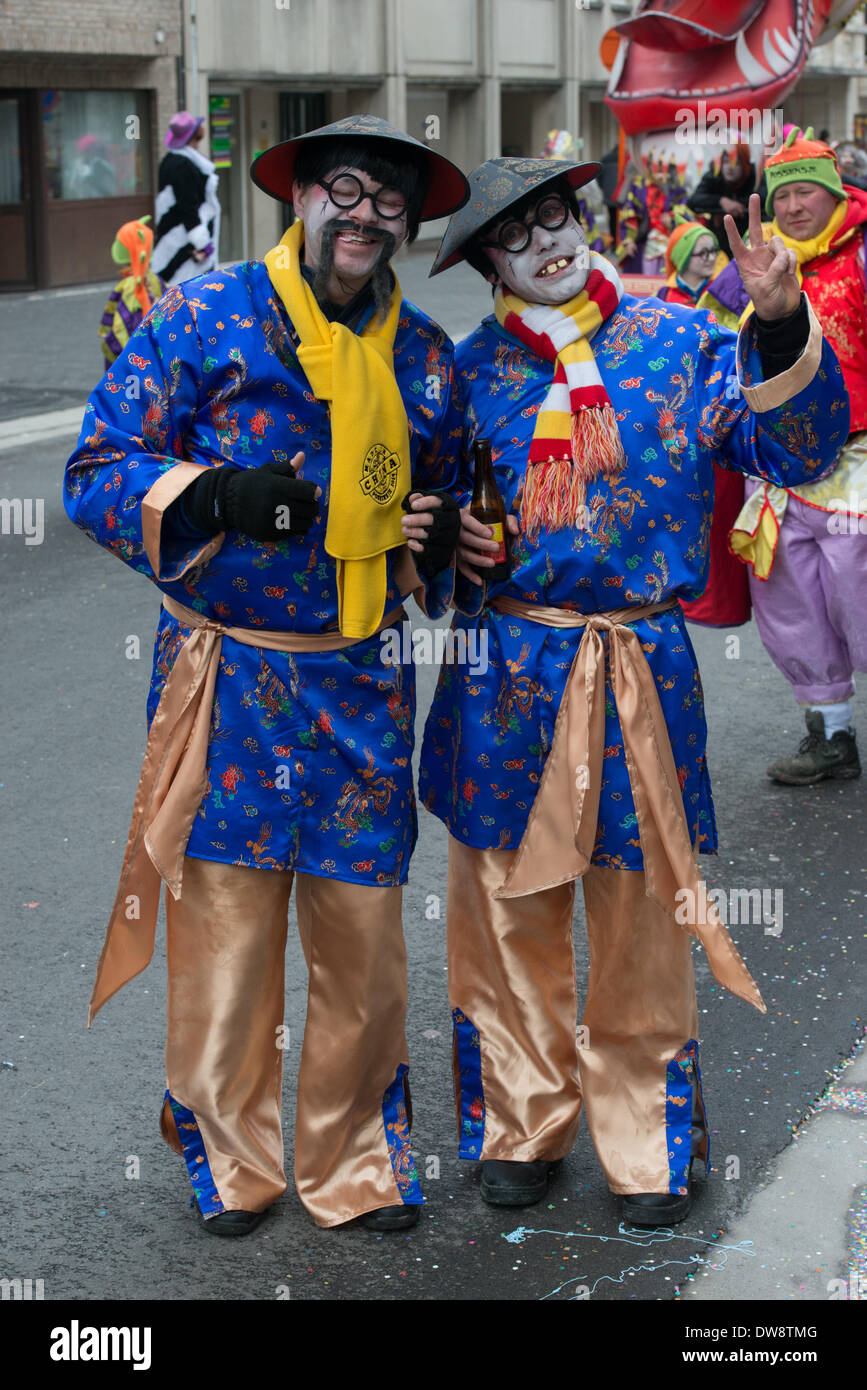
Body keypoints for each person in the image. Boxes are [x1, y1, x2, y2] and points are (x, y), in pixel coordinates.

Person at [419, 156, 848, 1225]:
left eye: (558, 215)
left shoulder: (682, 339)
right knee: (508, 904)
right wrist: (451, 550)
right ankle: (522, 1119)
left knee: (643, 910)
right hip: (507, 668)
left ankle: (648, 1135)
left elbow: (798, 445)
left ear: (587, 216)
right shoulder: (462, 376)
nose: (549, 243)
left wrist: (786, 322)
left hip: (640, 668)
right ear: (486, 264)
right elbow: (417, 539)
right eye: (517, 234)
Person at [64, 115, 468, 1237]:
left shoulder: (426, 358)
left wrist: (435, 539)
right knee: (228, 939)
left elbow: (448, 506)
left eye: (391, 201)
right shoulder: (200, 317)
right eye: (348, 188)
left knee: (362, 937)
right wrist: (214, 495)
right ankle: (227, 1150)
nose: (366, 216)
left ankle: (355, 1154)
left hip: (364, 686)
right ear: (302, 198)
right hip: (231, 680)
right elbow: (96, 472)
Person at [712, 129, 867, 783]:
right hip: (775, 468)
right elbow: (704, 339)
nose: (794, 205)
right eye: (782, 194)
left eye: (806, 190)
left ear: (834, 194)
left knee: (857, 594)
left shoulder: (861, 255)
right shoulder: (751, 263)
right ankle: (829, 735)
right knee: (790, 603)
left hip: (858, 461)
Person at [152, 111, 221, 285]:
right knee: (191, 293)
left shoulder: (169, 161)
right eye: (197, 139)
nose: (198, 144)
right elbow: (188, 207)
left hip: (174, 237)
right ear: (192, 138)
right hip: (184, 240)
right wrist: (202, 242)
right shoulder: (183, 165)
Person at [98, 215, 165, 367]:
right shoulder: (157, 280)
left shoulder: (128, 286)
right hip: (155, 349)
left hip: (132, 355)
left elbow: (122, 324)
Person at [616, 149, 690, 273]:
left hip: (669, 243)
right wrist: (629, 241)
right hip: (644, 244)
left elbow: (684, 213)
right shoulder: (638, 187)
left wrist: (672, 218)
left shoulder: (676, 189)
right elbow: (629, 214)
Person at [687, 143, 757, 257]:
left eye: (736, 163)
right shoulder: (714, 175)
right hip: (719, 245)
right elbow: (693, 201)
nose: (730, 167)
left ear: (745, 164)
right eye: (726, 161)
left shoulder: (755, 177)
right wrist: (720, 201)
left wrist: (740, 206)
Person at [656, 218, 723, 306]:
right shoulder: (663, 297)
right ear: (683, 258)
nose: (712, 258)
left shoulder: (722, 292)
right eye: (703, 253)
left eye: (713, 251)